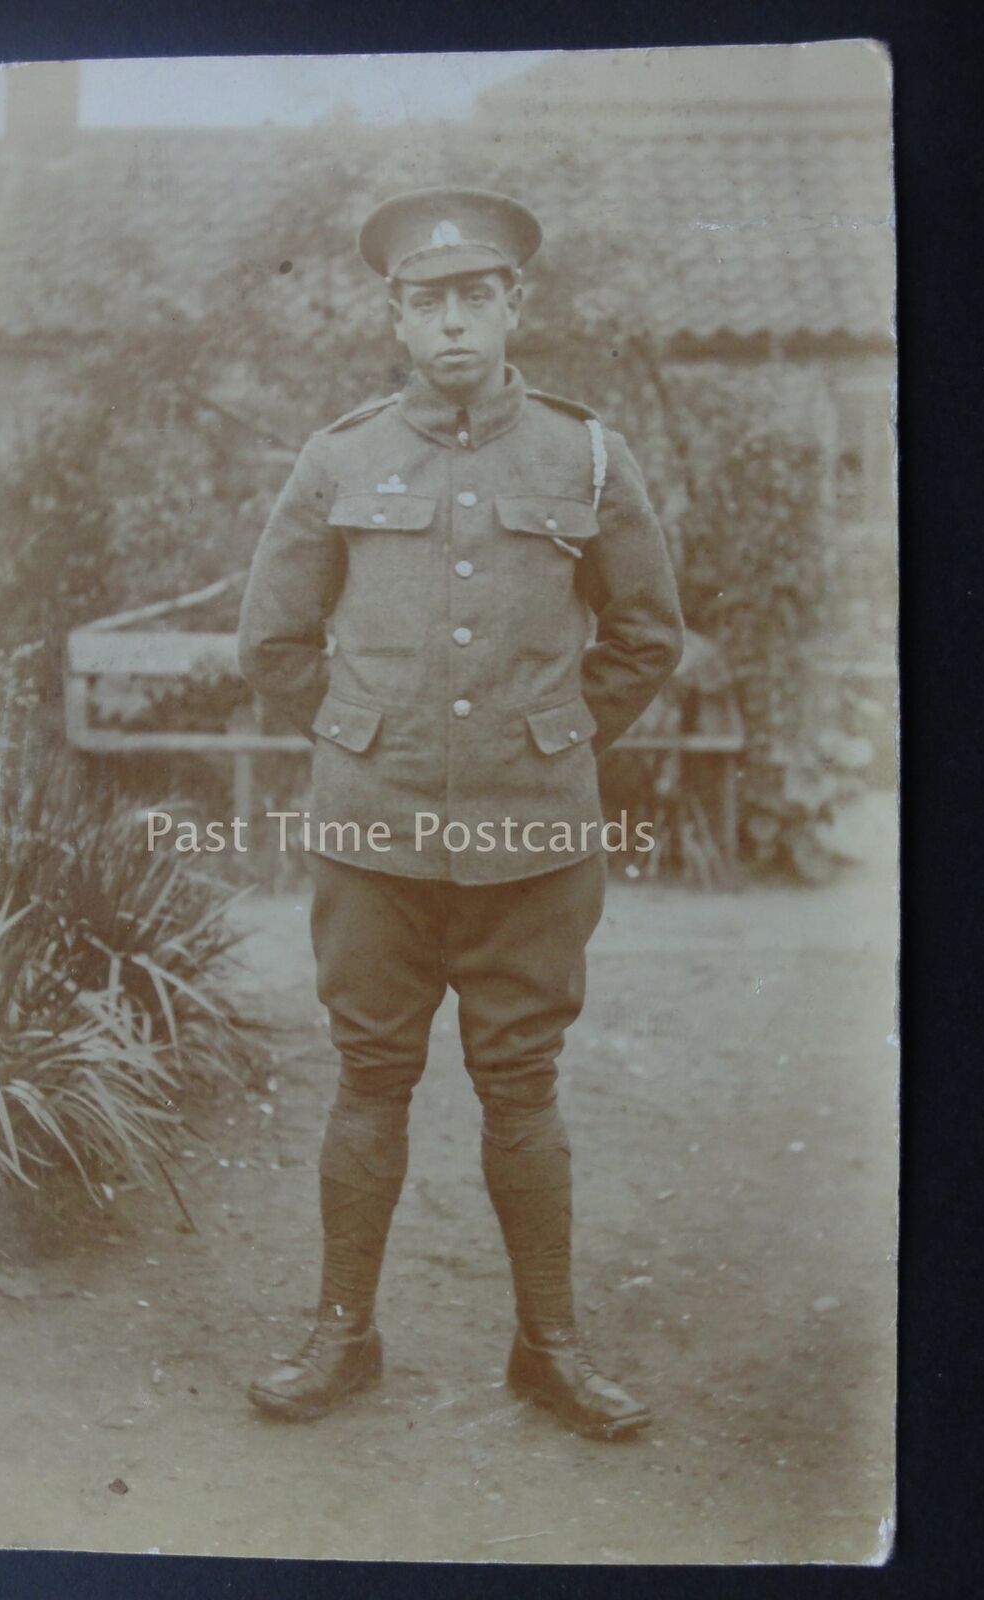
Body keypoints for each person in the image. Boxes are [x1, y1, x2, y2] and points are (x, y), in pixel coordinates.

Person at [236, 187, 684, 1440]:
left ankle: (550, 1346)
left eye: (473, 297)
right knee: (370, 1077)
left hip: (536, 837)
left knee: (521, 1082)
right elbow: (273, 639)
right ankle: (344, 1335)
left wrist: (553, 734)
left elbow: (647, 636)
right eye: (427, 301)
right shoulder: (338, 456)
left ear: (512, 306)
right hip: (371, 835)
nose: (451, 324)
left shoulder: (589, 456)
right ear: (395, 314)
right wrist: (367, 734)